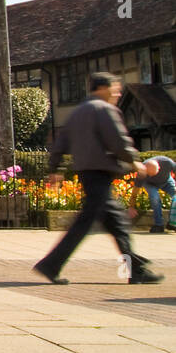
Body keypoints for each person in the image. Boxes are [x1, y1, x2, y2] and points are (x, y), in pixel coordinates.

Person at [34, 73, 163, 285]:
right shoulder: (105, 110)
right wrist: (134, 160)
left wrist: (54, 168)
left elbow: (60, 142)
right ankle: (50, 264)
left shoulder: (77, 112)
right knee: (85, 224)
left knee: (118, 224)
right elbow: (118, 140)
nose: (118, 93)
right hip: (100, 174)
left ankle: (136, 270)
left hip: (87, 174)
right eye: (115, 88)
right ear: (102, 88)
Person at [129, 156, 176, 234]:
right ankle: (159, 225)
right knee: (154, 198)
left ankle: (172, 223)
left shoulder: (167, 162)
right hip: (150, 184)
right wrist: (131, 207)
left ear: (159, 168)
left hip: (166, 181)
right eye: (149, 175)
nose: (152, 176)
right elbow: (135, 192)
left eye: (153, 174)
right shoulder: (142, 172)